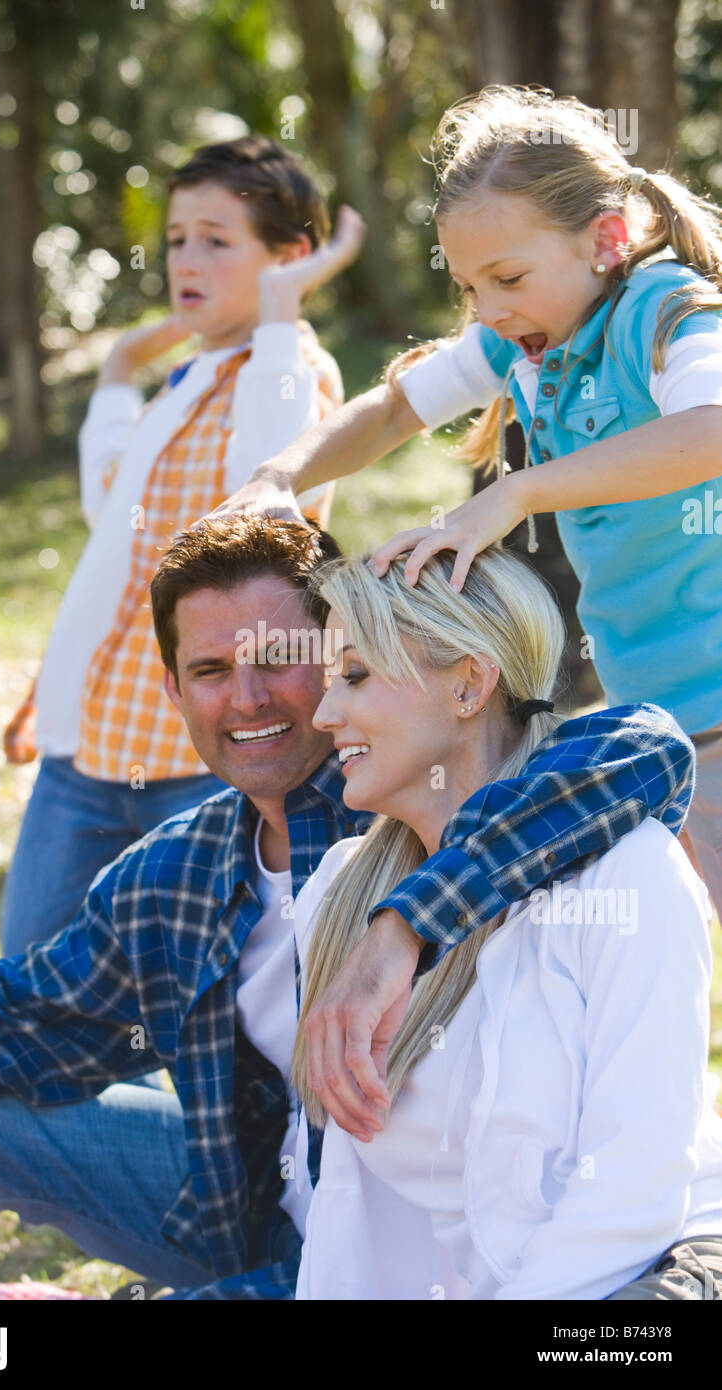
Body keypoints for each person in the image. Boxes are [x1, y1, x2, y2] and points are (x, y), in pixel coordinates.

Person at [0, 517, 695, 1299]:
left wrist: (406, 924)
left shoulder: (410, 790)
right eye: (212, 671)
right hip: (275, 1213)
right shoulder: (183, 875)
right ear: (176, 692)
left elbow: (643, 748)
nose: (250, 699)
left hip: (520, 1249)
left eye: (283, 658)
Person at [208, 86, 722, 920]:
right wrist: (278, 478)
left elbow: (712, 429)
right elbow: (398, 406)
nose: (488, 310)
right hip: (658, 718)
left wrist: (518, 491)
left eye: (508, 277)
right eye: (470, 287)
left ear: (607, 238)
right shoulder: (528, 334)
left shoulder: (662, 312)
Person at [288, 545, 722, 1300]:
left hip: (668, 1272)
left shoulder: (629, 873)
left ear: (469, 683)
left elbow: (636, 1185)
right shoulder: (338, 899)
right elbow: (358, 1209)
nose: (324, 715)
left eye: (354, 675)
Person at [0, 134, 365, 954]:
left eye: (215, 239)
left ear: (290, 258)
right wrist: (117, 374)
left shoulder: (295, 368)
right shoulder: (187, 379)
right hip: (90, 752)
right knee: (25, 1016)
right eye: (175, 239)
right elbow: (113, 512)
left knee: (208, 1047)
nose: (184, 260)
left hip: (207, 765)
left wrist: (280, 313)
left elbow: (263, 514)